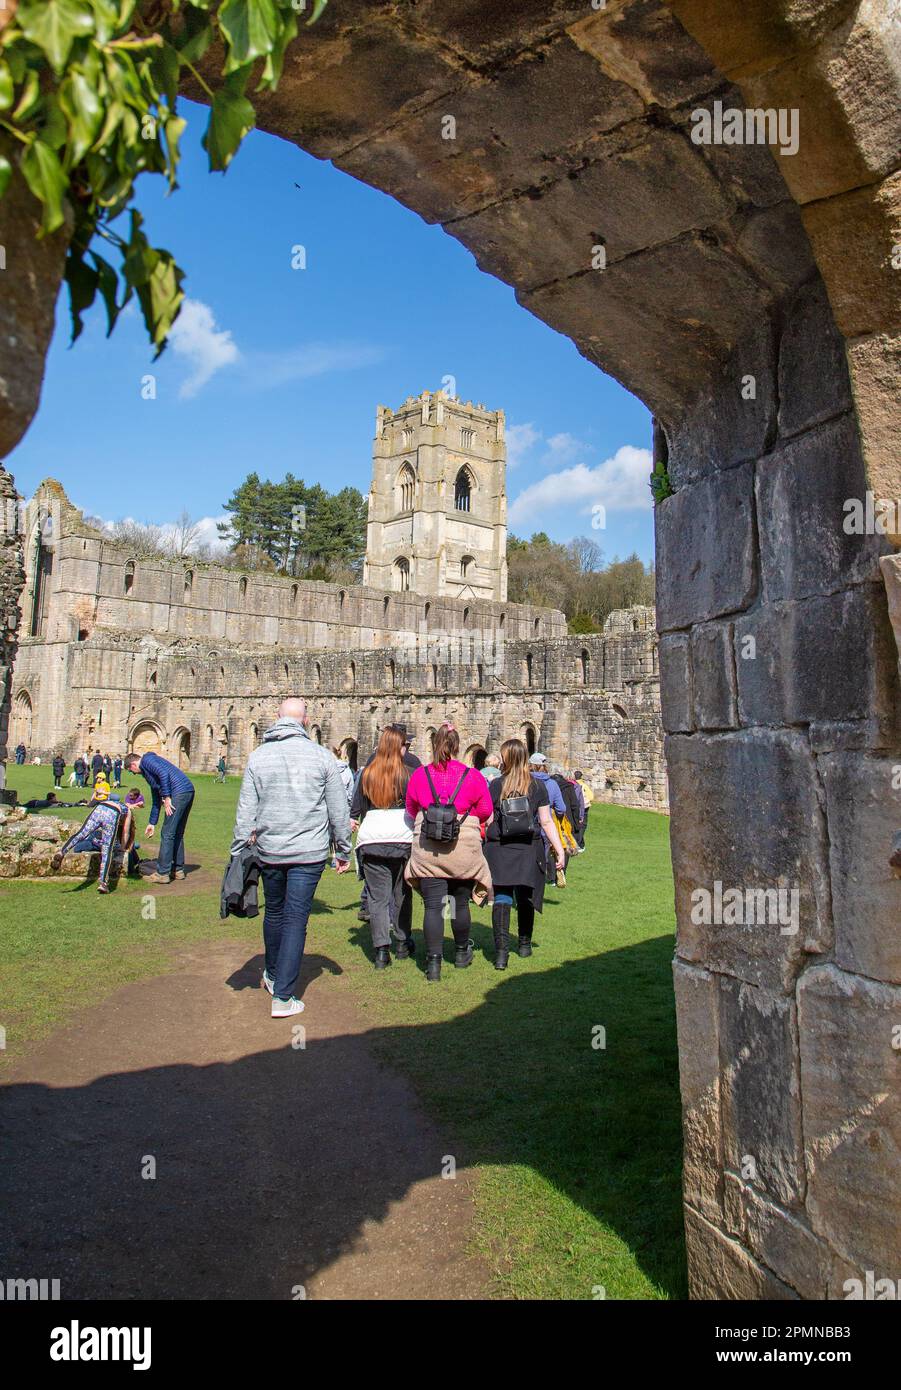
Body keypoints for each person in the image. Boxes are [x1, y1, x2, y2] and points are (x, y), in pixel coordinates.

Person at [231, 697, 351, 1018]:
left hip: (271, 850)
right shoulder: (322, 756)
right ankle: (283, 996)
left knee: (275, 914)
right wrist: (342, 849)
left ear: (277, 717)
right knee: (296, 919)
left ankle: (272, 975)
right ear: (305, 720)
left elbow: (246, 812)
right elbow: (339, 810)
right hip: (309, 853)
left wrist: (237, 853)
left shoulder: (259, 757)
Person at [404, 723, 493, 982]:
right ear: (457, 746)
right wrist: (463, 818)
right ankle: (463, 953)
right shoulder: (473, 776)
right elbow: (485, 809)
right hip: (462, 848)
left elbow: (411, 808)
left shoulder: (421, 775)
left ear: (435, 743)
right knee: (459, 903)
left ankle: (433, 965)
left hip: (430, 848)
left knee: (434, 906)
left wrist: (434, 817)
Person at [484, 739, 567, 968]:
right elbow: (546, 821)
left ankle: (501, 955)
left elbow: (489, 820)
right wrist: (559, 850)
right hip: (528, 847)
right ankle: (524, 944)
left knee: (501, 897)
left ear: (507, 759)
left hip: (500, 847)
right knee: (525, 896)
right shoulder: (537, 786)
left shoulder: (496, 785)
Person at [351, 727, 415, 969]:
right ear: (395, 747)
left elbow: (357, 809)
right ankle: (401, 941)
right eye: (402, 745)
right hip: (401, 838)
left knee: (377, 898)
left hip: (373, 838)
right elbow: (414, 809)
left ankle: (381, 951)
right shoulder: (408, 775)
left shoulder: (367, 775)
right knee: (401, 893)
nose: (405, 749)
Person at [123, 748, 195, 885]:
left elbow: (164, 774)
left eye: (131, 771)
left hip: (178, 792)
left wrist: (167, 797)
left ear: (132, 765)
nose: (133, 773)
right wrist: (152, 823)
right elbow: (156, 798)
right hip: (187, 791)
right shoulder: (148, 772)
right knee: (177, 832)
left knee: (167, 833)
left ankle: (162, 873)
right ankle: (178, 870)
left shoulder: (147, 760)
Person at [51, 780, 135, 894]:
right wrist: (123, 847)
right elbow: (125, 832)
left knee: (81, 833)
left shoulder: (110, 801)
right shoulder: (128, 810)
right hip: (113, 814)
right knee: (107, 849)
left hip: (100, 807)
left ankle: (62, 852)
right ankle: (103, 883)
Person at [572, 770, 593, 849]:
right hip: (584, 807)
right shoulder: (583, 785)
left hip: (574, 807)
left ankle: (580, 843)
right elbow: (591, 797)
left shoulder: (571, 784)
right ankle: (579, 843)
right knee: (583, 825)